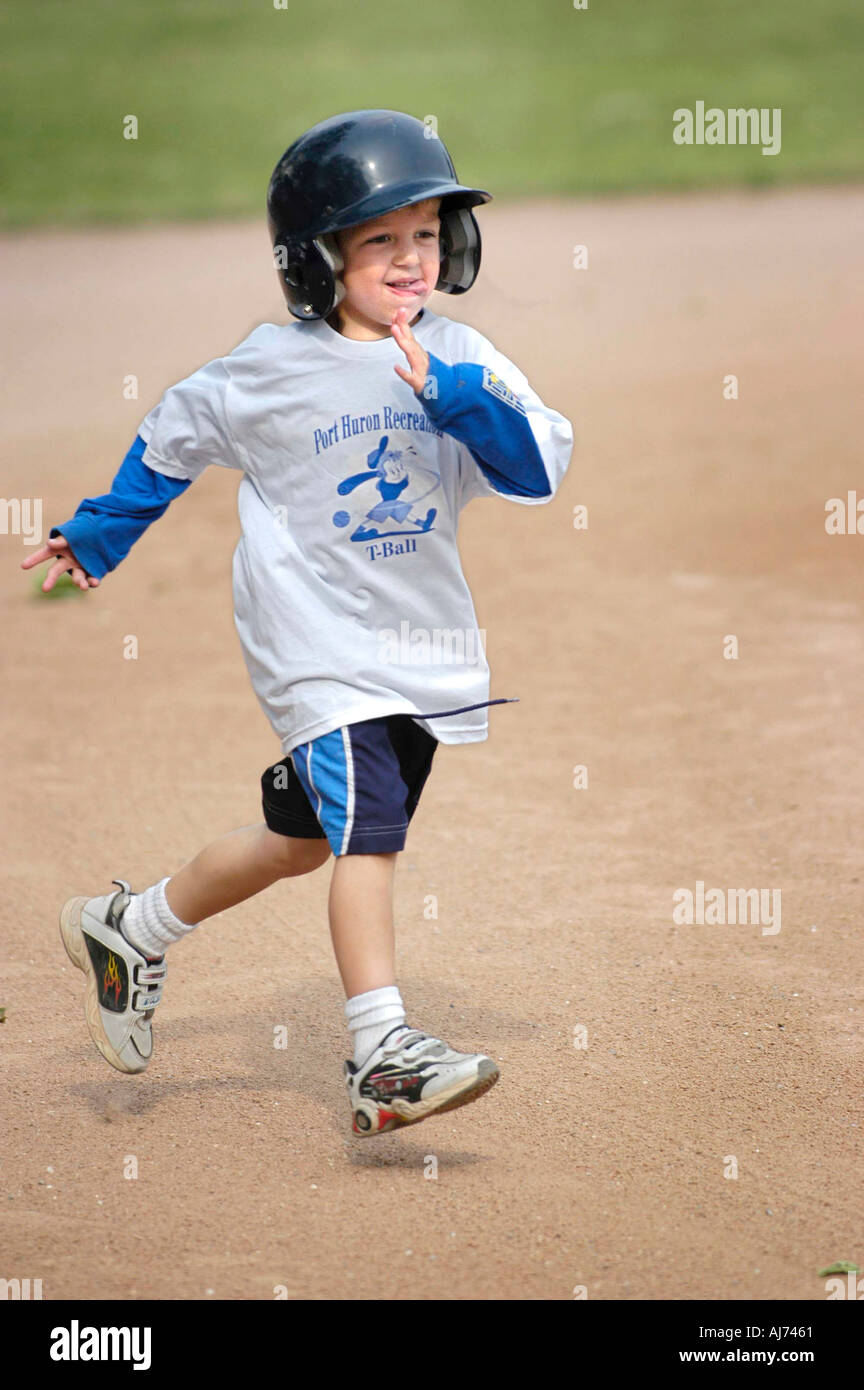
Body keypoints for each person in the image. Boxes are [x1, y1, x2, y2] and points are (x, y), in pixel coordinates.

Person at [22, 110, 573, 1136]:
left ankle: (128, 928)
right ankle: (384, 1054)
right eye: (379, 240)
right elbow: (170, 438)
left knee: (303, 838)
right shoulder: (269, 370)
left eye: (424, 232)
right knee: (369, 833)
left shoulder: (462, 355)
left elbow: (537, 466)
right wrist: (97, 535)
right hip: (317, 649)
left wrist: (452, 396)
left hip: (420, 648)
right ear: (316, 260)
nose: (410, 258)